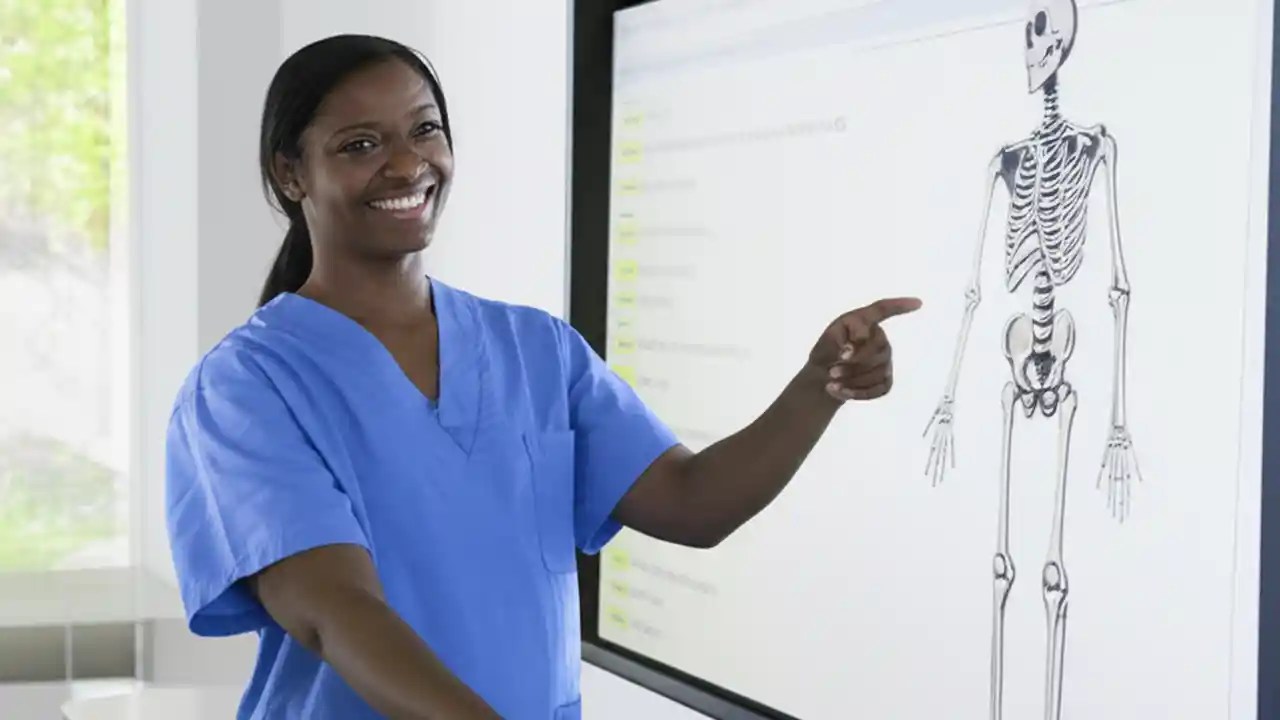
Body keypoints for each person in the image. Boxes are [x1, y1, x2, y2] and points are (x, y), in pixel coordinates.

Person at [164, 33, 921, 720]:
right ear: (290, 173)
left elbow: (694, 505)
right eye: (360, 144)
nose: (406, 163)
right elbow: (332, 609)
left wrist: (820, 383)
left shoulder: (535, 349)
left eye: (425, 129)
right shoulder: (244, 387)